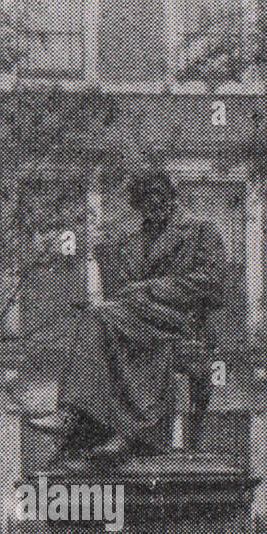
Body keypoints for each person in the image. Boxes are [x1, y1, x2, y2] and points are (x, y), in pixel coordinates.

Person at [34, 171, 227, 459]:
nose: (153, 202)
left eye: (158, 193)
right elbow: (123, 290)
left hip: (184, 321)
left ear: (171, 194)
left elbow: (211, 283)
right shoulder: (132, 240)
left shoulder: (201, 230)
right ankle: (102, 425)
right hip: (140, 318)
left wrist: (150, 290)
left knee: (101, 318)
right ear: (138, 204)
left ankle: (94, 422)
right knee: (98, 318)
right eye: (144, 198)